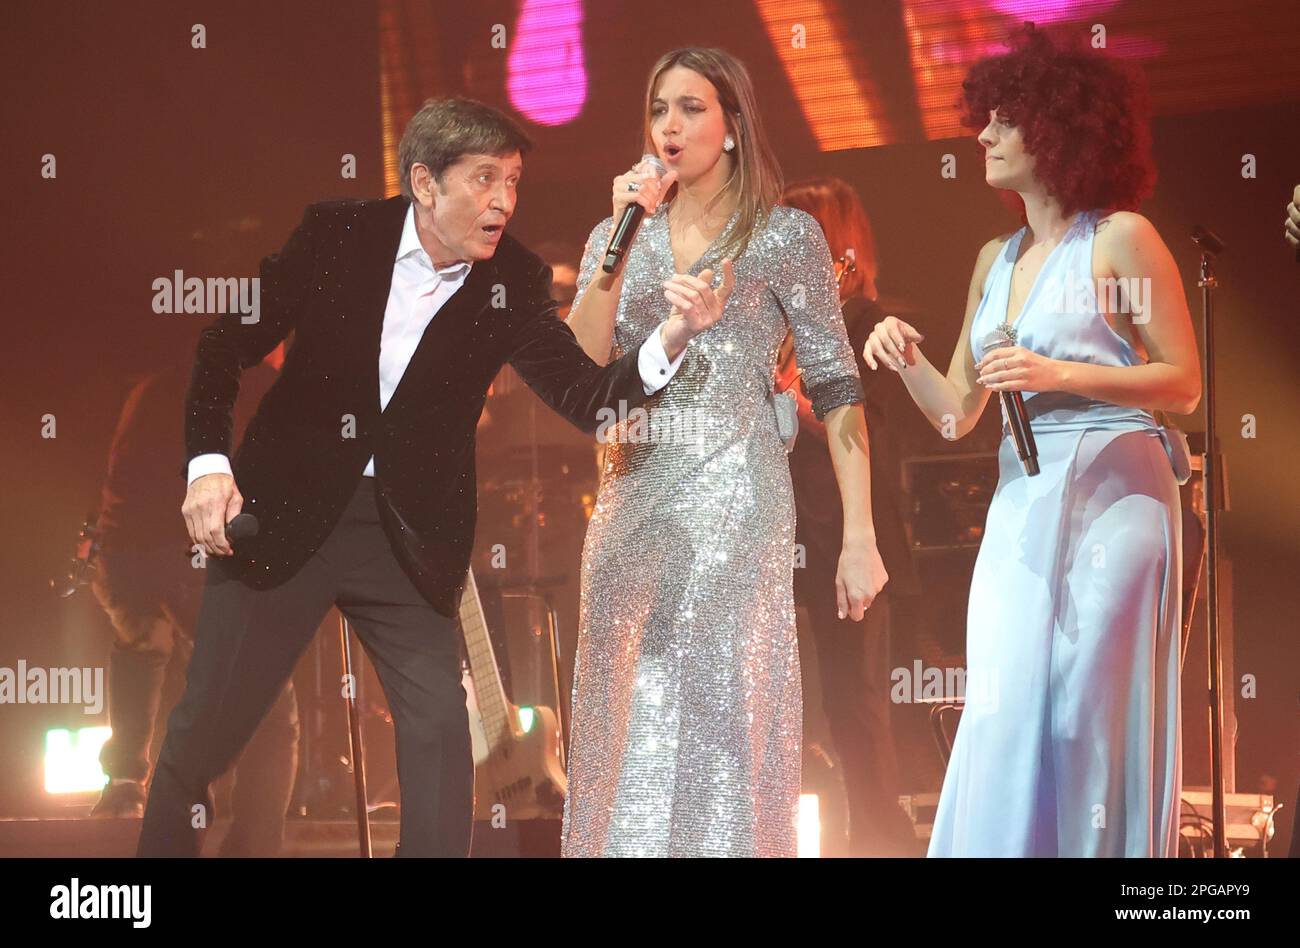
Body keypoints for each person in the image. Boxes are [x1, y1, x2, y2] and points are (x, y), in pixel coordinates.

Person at [137, 96, 719, 858]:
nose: (503, 201)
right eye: (484, 180)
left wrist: (672, 336)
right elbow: (223, 344)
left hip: (404, 537)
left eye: (513, 181)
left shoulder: (512, 280)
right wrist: (207, 468)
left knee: (442, 733)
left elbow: (585, 397)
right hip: (286, 514)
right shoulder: (337, 235)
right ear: (424, 182)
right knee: (204, 735)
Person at [863, 26, 1201, 857]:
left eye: (1004, 120)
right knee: (1004, 703)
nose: (983, 135)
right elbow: (957, 413)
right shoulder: (995, 258)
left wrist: (1059, 372)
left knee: (1089, 710)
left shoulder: (1121, 238)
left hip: (1118, 493)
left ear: (1058, 130)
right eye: (985, 119)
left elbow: (1184, 384)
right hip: (1023, 495)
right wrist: (904, 357)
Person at [560, 47, 888, 857]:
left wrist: (859, 535)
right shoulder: (616, 234)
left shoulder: (785, 237)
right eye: (658, 109)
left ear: (733, 126)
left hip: (738, 507)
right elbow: (581, 367)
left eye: (691, 108)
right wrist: (616, 253)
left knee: (722, 721)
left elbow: (837, 386)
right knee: (624, 720)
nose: (669, 127)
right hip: (632, 504)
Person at [92, 352, 298, 858]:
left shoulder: (156, 382)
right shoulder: (258, 384)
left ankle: (125, 786)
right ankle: (253, 846)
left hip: (121, 556)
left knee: (142, 650)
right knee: (269, 699)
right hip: (187, 556)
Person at [778, 177, 921, 856]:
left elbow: (865, 425)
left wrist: (791, 400)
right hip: (783, 532)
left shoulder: (866, 323)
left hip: (844, 535)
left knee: (855, 702)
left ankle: (879, 842)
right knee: (786, 700)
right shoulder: (777, 328)